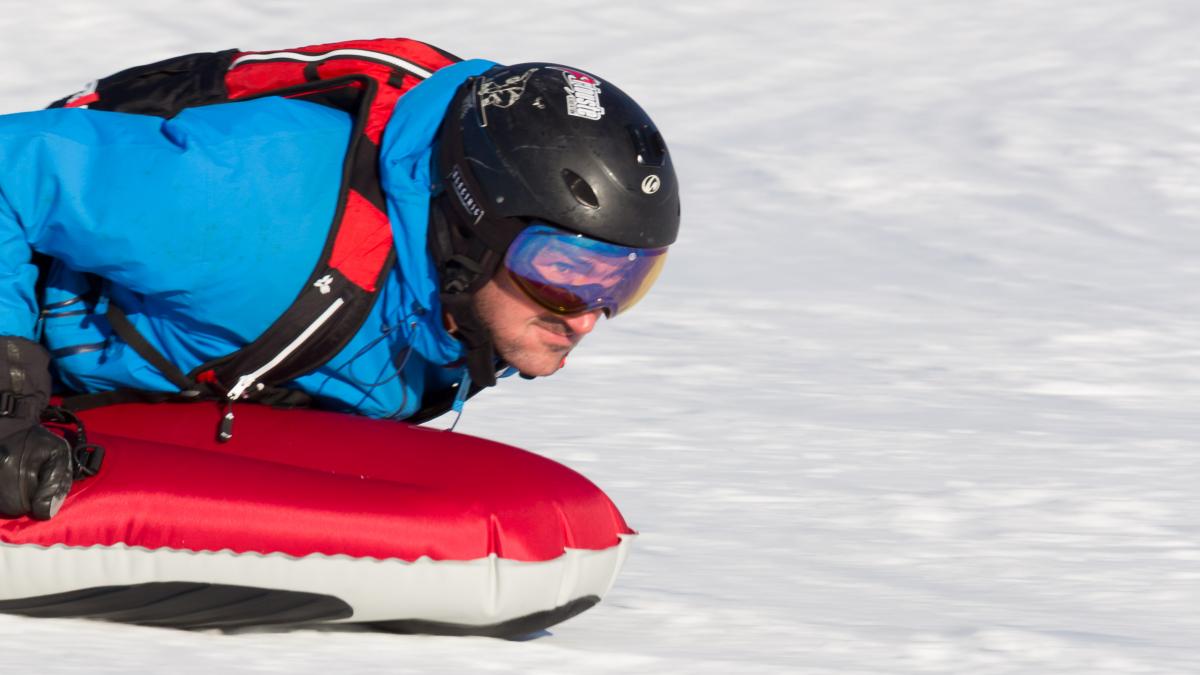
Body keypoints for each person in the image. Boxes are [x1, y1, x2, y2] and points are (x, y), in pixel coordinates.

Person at [0, 39, 680, 520]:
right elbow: (10, 168)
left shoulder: (456, 308)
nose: (587, 316)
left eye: (622, 285)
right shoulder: (259, 205)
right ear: (475, 228)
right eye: (563, 273)